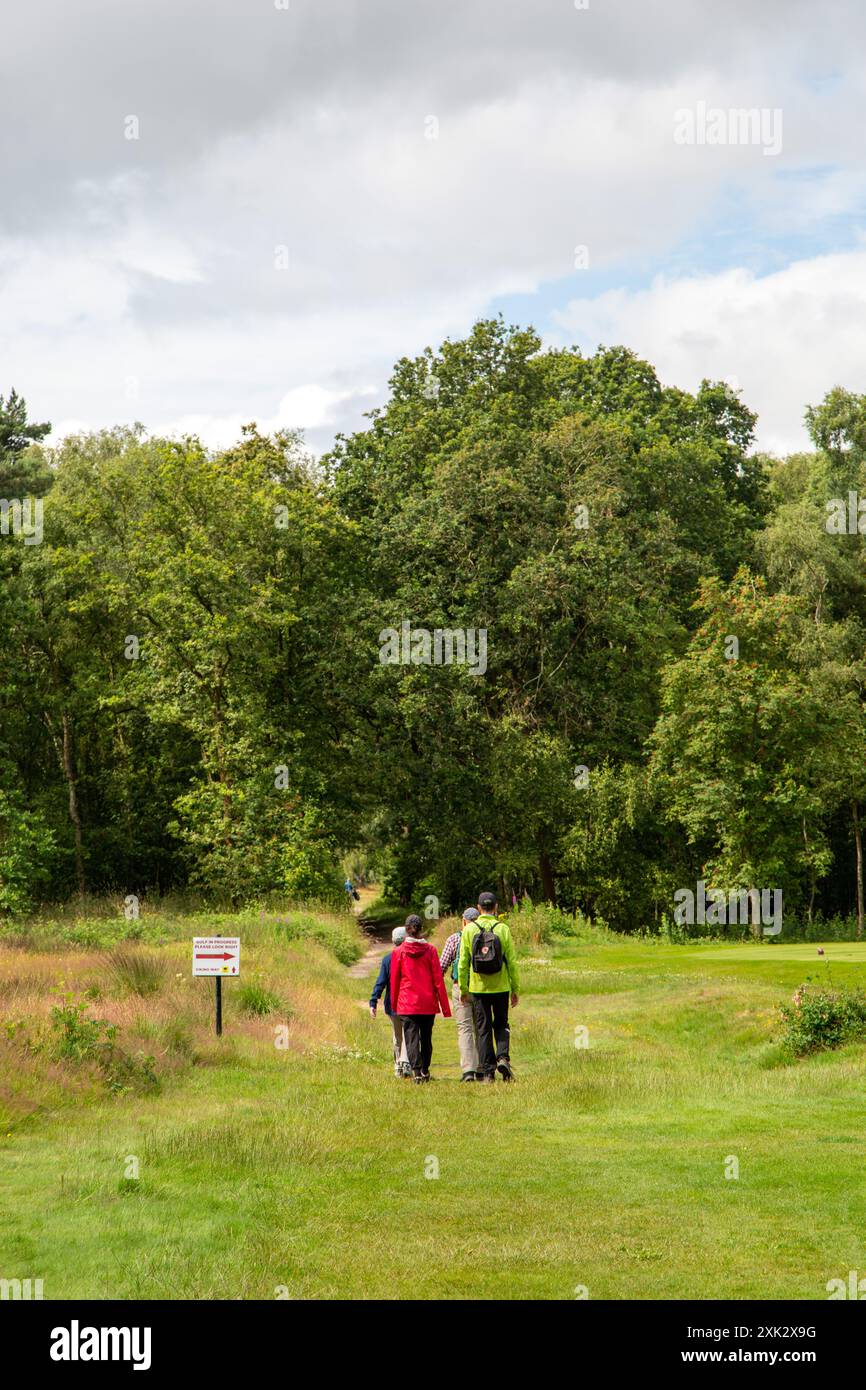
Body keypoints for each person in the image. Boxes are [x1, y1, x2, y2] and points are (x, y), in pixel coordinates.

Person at [457, 890, 520, 1082]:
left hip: (478, 988)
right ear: (496, 907)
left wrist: (463, 988)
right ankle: (502, 1057)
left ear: (478, 908)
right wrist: (515, 988)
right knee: (501, 1024)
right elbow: (512, 961)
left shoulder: (469, 930)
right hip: (500, 986)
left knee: (482, 1028)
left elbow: (463, 962)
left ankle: (488, 1072)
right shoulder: (503, 928)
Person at [390, 914, 451, 1084]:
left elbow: (394, 980)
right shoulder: (430, 950)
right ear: (420, 929)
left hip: (407, 1002)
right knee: (426, 1037)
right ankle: (425, 1069)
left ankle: (417, 1072)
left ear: (406, 929)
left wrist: (394, 1004)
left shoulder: (399, 952)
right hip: (427, 1002)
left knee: (411, 1038)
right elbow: (438, 979)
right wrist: (445, 1007)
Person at [440, 908, 482, 1081]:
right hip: (481, 987)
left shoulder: (454, 938)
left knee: (465, 1029)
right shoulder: (485, 936)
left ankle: (468, 1071)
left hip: (460, 988)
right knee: (481, 1028)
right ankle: (483, 1068)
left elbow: (441, 966)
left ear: (463, 921)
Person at [369, 926, 412, 1078]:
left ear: (393, 941)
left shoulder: (388, 959)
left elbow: (380, 982)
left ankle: (398, 1066)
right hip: (408, 1003)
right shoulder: (410, 956)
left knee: (397, 1035)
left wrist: (373, 1001)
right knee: (409, 1033)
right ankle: (406, 1063)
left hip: (392, 1004)